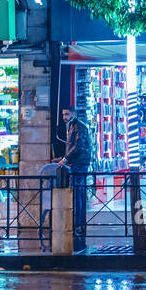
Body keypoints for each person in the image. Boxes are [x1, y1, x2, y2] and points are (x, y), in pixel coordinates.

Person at [59, 108, 95, 252]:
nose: (64, 117)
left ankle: (79, 224)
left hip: (80, 164)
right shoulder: (75, 126)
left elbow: (78, 145)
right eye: (63, 114)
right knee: (78, 193)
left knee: (78, 193)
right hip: (78, 163)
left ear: (73, 114)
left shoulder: (79, 126)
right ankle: (78, 223)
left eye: (67, 114)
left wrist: (66, 158)